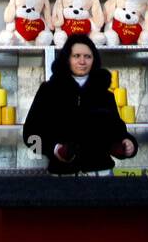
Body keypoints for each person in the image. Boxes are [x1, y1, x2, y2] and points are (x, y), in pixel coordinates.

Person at [23, 34, 138, 176]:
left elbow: (117, 131)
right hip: (63, 175)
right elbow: (30, 133)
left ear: (94, 60)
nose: (82, 61)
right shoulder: (48, 91)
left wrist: (127, 143)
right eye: (76, 56)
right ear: (67, 59)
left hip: (101, 175)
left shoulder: (105, 95)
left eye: (88, 56)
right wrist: (54, 149)